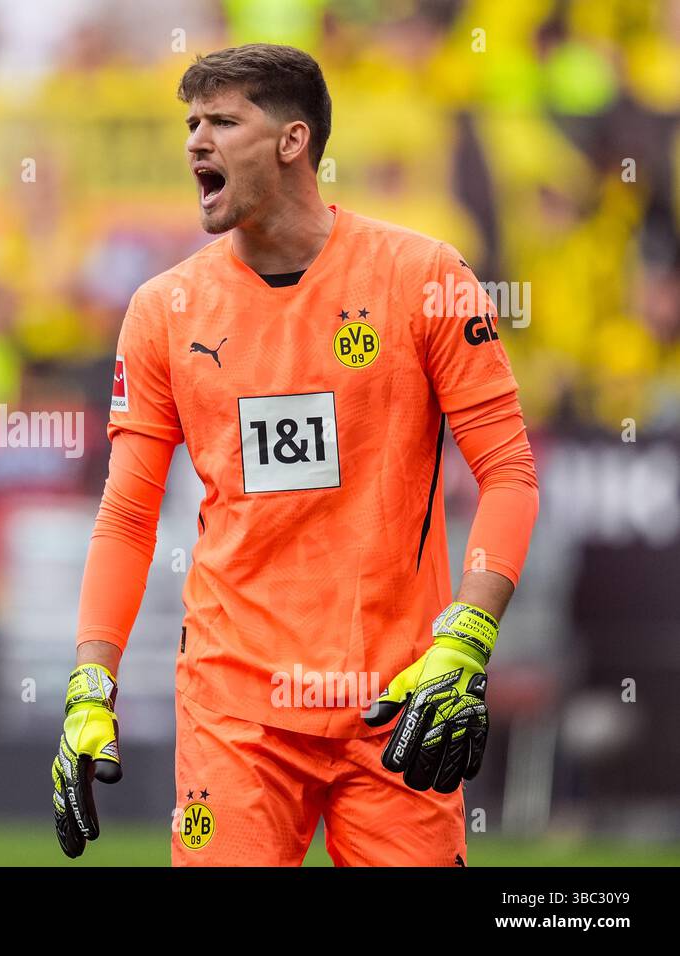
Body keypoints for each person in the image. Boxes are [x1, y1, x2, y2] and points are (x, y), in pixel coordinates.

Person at [51, 44, 540, 867]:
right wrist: (90, 682)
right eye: (191, 124)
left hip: (396, 703)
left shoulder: (425, 278)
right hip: (234, 710)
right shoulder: (164, 310)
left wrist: (468, 638)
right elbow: (129, 515)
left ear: (292, 140)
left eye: (223, 121)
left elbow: (510, 475)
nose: (195, 143)